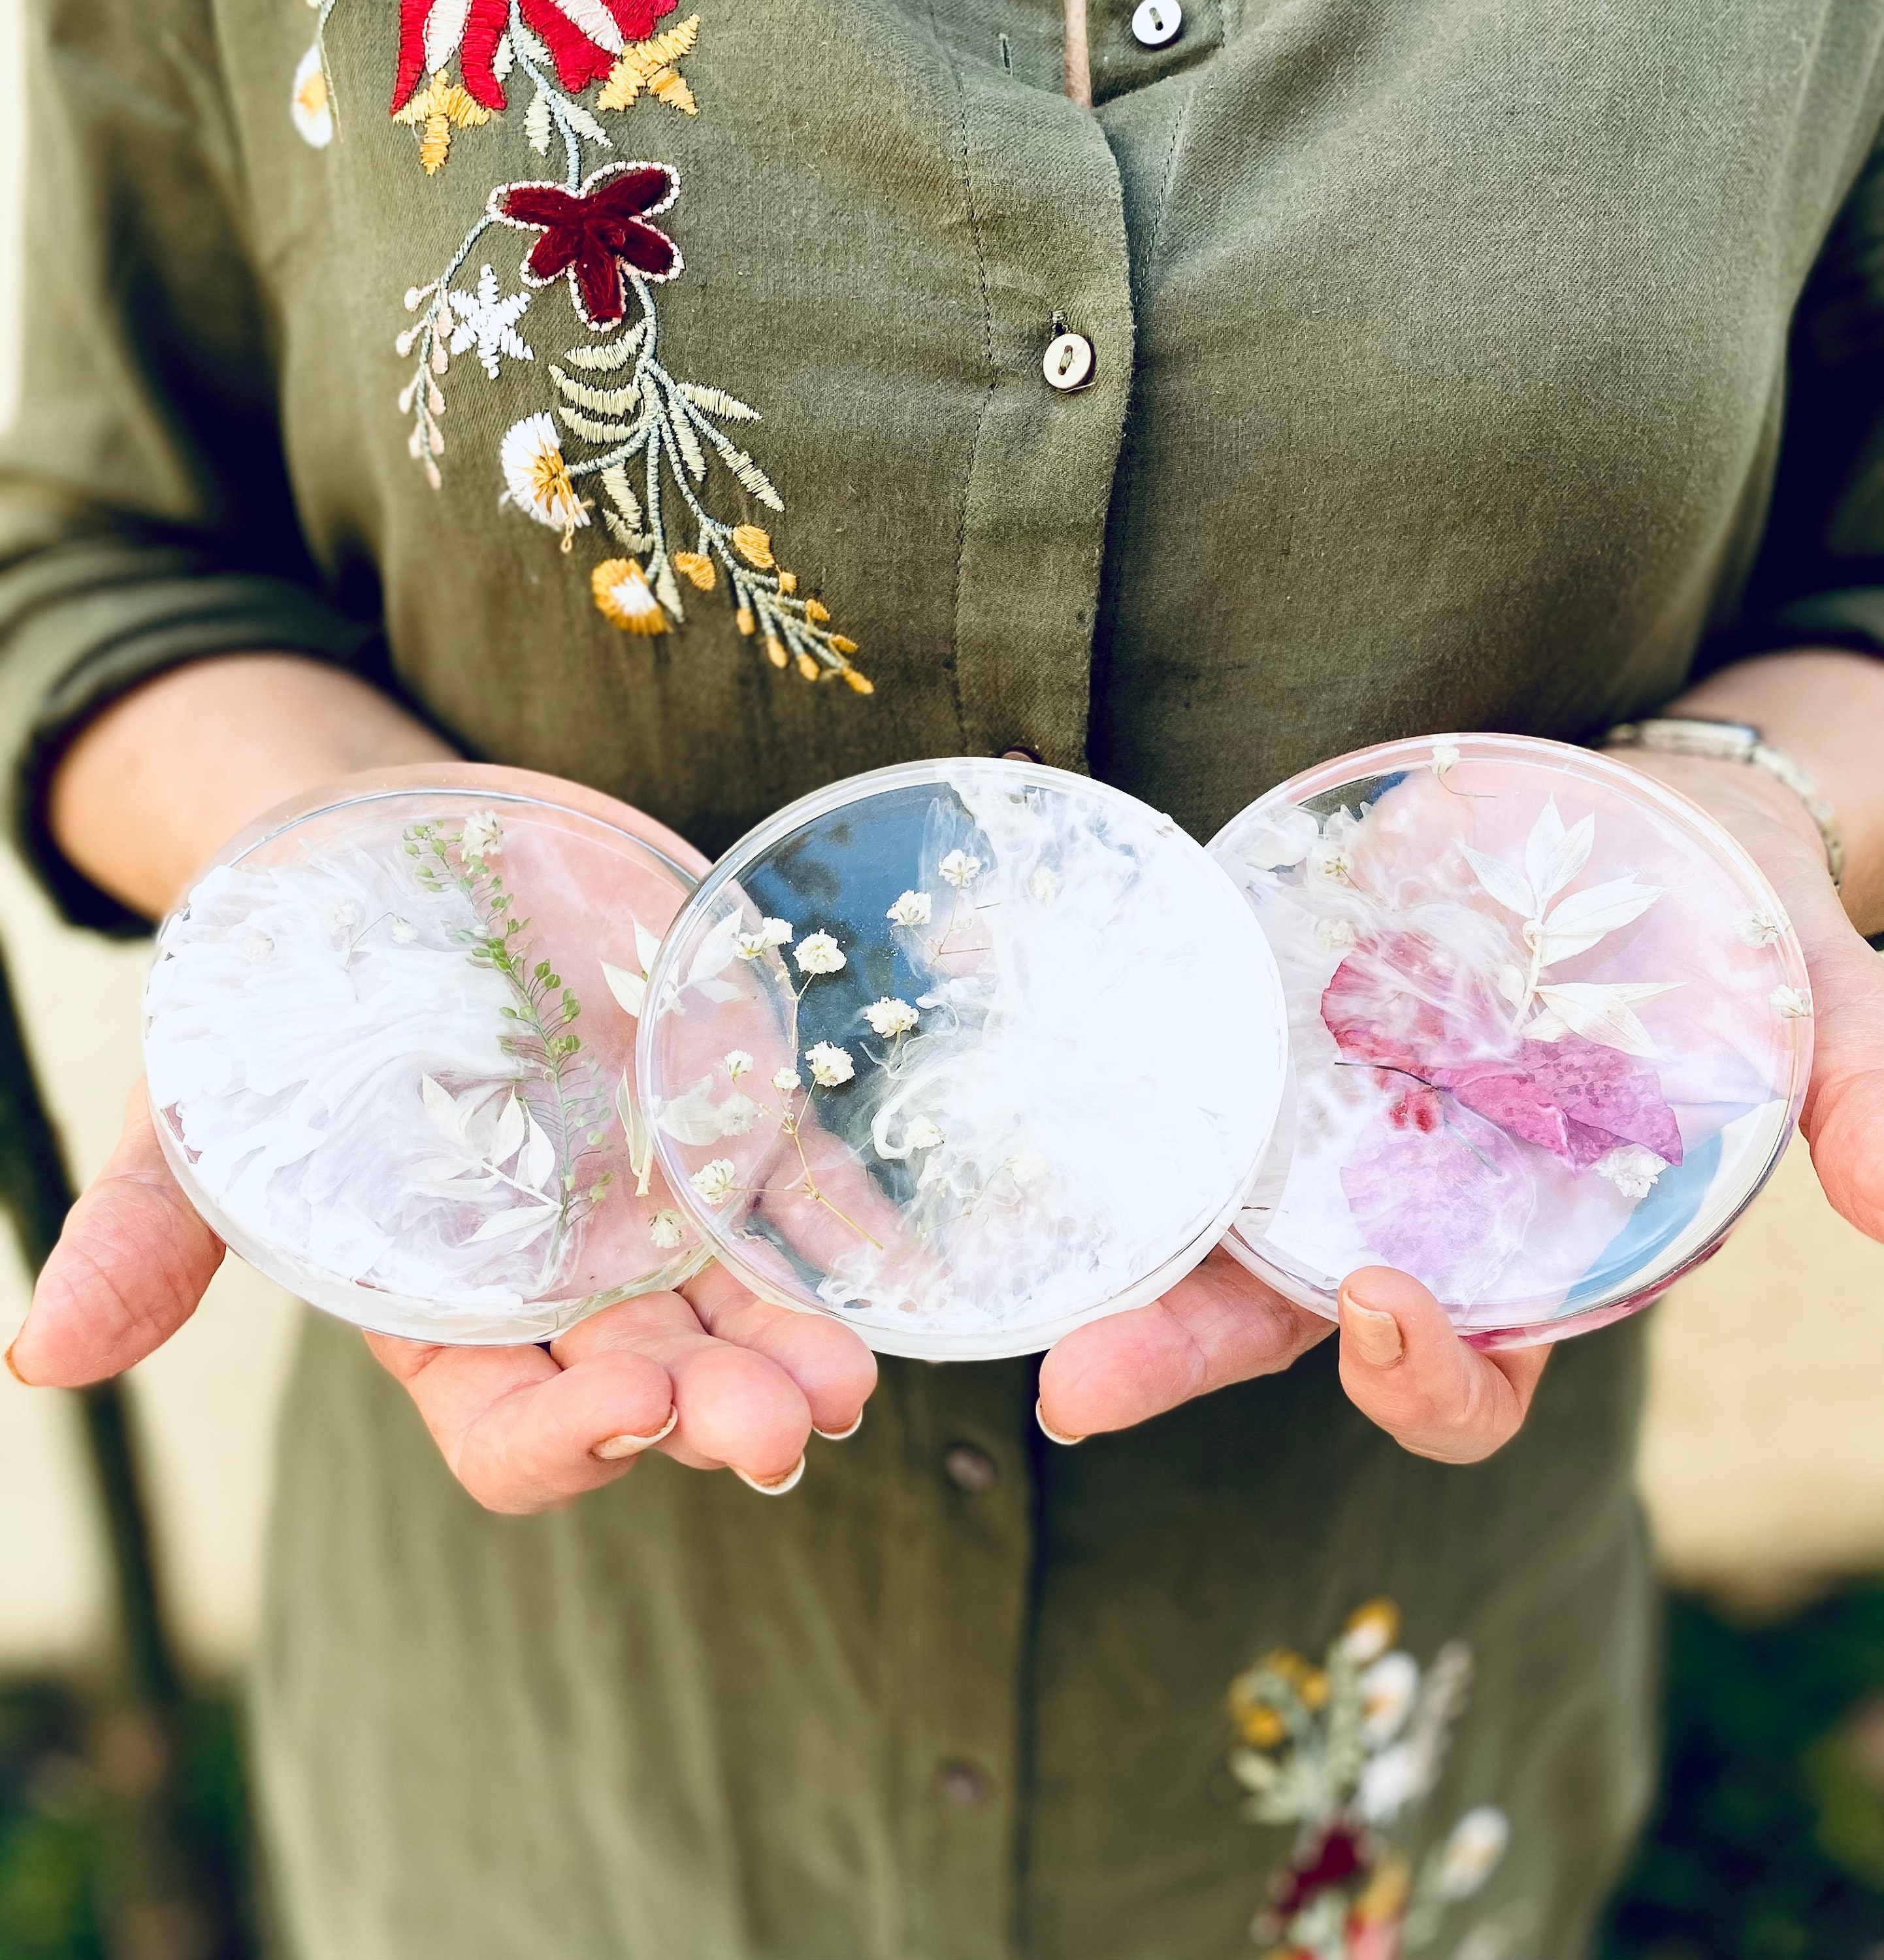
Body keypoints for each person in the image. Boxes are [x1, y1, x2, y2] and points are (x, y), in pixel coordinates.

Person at [5, 0, 1884, 1953]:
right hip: (580, 1691)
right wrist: (375, 903)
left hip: (1366, 1612)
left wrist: (1735, 816)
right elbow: (109, 559)